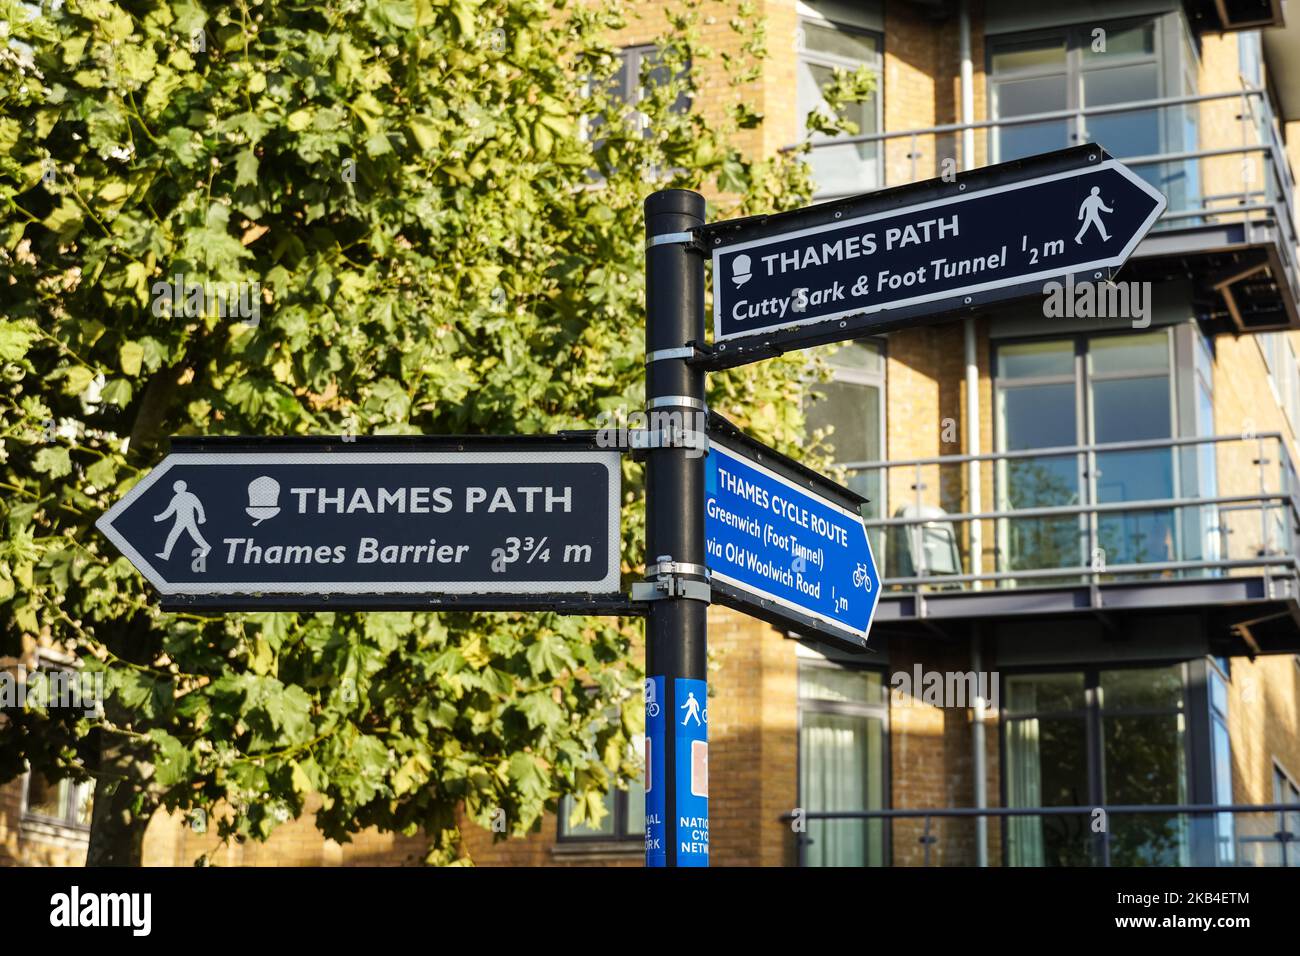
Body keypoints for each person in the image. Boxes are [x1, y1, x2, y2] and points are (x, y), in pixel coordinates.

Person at [154, 479, 210, 560]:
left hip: (187, 520)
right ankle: (166, 554)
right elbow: (169, 511)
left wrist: (201, 517)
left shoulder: (187, 496)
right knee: (177, 535)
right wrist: (158, 518)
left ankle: (206, 547)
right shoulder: (179, 498)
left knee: (189, 535)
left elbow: (198, 506)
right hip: (182, 520)